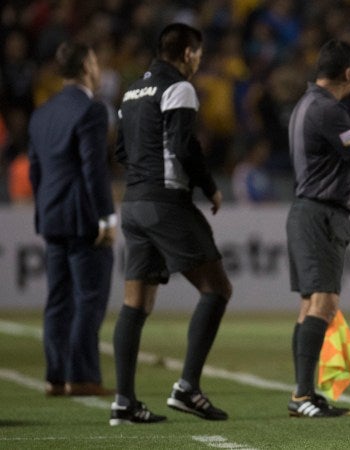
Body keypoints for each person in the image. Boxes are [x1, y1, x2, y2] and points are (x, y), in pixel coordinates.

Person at [109, 23, 232, 425]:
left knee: (136, 304)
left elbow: (122, 150)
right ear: (187, 53)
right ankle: (187, 388)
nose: (198, 61)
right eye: (197, 54)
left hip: (134, 203)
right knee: (216, 289)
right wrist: (209, 187)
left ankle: (124, 401)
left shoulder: (131, 91)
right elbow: (183, 147)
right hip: (165, 202)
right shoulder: (178, 87)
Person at [28, 41, 116, 398]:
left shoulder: (42, 112)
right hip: (82, 217)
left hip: (51, 215)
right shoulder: (91, 110)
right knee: (89, 297)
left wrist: (45, 206)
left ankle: (55, 376)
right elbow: (94, 169)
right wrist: (106, 218)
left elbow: (35, 171)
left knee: (58, 299)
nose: (98, 69)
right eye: (95, 61)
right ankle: (82, 376)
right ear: (86, 66)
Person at [285, 39, 350, 418]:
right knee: (324, 303)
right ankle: (302, 395)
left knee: (309, 305)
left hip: (307, 211)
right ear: (349, 73)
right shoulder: (328, 110)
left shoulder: (308, 104)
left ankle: (304, 392)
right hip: (321, 214)